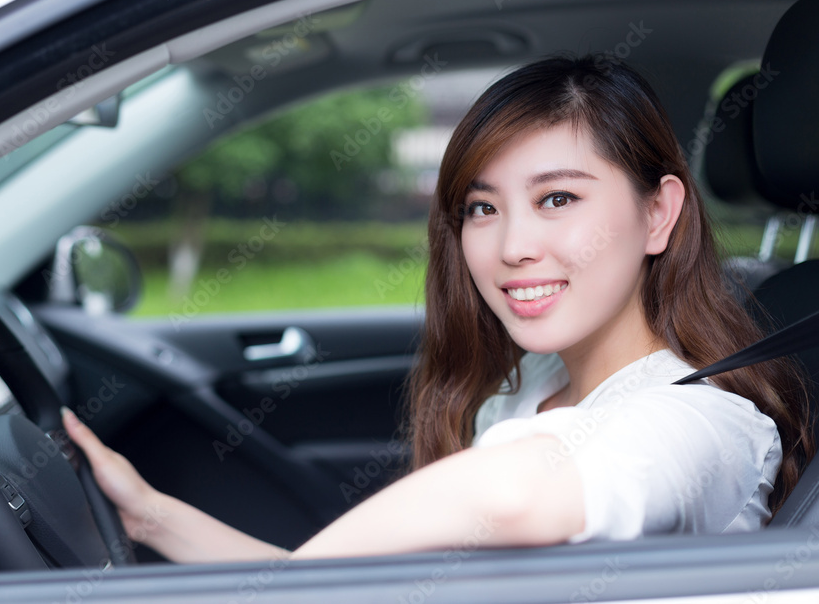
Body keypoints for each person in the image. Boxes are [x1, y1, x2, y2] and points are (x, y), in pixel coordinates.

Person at [62, 54, 814, 562]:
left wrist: (292, 588)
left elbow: (518, 492)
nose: (512, 244)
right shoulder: (529, 383)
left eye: (558, 198)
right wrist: (150, 517)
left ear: (659, 214)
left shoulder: (704, 424)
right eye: (482, 208)